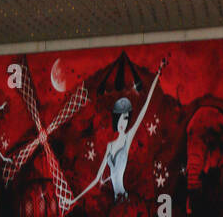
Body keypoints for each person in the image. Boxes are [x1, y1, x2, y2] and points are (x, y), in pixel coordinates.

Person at [70, 59, 167, 206]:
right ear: (116, 119)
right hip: (116, 200)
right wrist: (74, 200)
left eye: (126, 118)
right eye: (120, 118)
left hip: (124, 197)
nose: (123, 122)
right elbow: (96, 179)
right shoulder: (109, 146)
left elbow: (145, 106)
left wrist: (158, 73)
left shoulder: (128, 139)